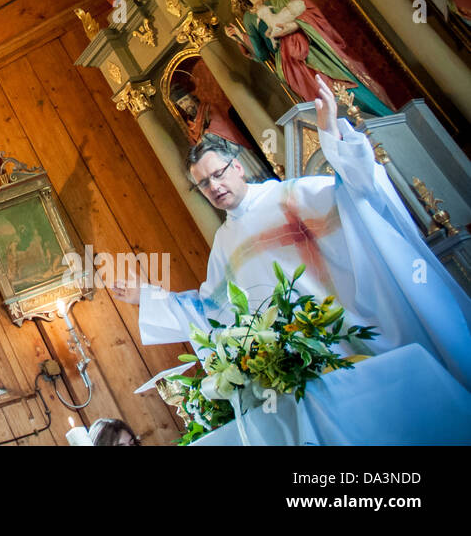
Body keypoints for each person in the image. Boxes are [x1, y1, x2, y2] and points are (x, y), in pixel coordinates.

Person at [111, 75, 471, 396]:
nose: (214, 186)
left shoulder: (295, 194)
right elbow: (214, 311)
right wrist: (149, 297)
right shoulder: (224, 243)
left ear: (237, 166)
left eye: (218, 174)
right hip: (308, 367)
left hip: (358, 332)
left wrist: (333, 134)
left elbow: (360, 191)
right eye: (203, 184)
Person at [224, 0, 394, 116]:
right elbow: (261, 54)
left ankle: (381, 118)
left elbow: (312, 11)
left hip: (312, 47)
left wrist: (294, 25)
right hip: (290, 65)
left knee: (343, 85)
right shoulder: (249, 18)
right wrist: (240, 37)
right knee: (322, 99)